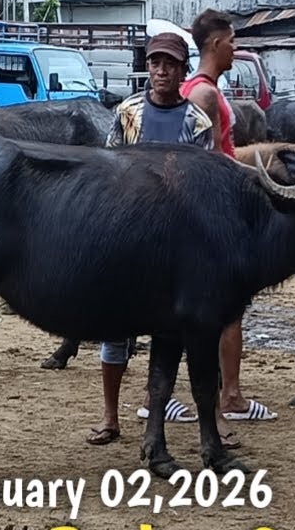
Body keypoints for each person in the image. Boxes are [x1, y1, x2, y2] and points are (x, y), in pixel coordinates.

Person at [87, 31, 215, 446]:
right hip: (127, 236)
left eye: (170, 64)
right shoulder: (127, 113)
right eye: (156, 63)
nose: (162, 71)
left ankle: (155, 415)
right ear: (148, 67)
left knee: (169, 334)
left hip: (176, 245)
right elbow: (106, 170)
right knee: (114, 330)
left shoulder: (198, 123)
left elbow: (203, 185)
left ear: (183, 71)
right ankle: (109, 417)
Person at [181, 8, 276, 429]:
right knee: (229, 306)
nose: (236, 49)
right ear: (217, 44)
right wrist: (259, 180)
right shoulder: (203, 94)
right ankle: (231, 394)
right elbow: (214, 158)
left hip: (215, 202)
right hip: (218, 207)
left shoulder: (198, 89)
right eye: (233, 42)